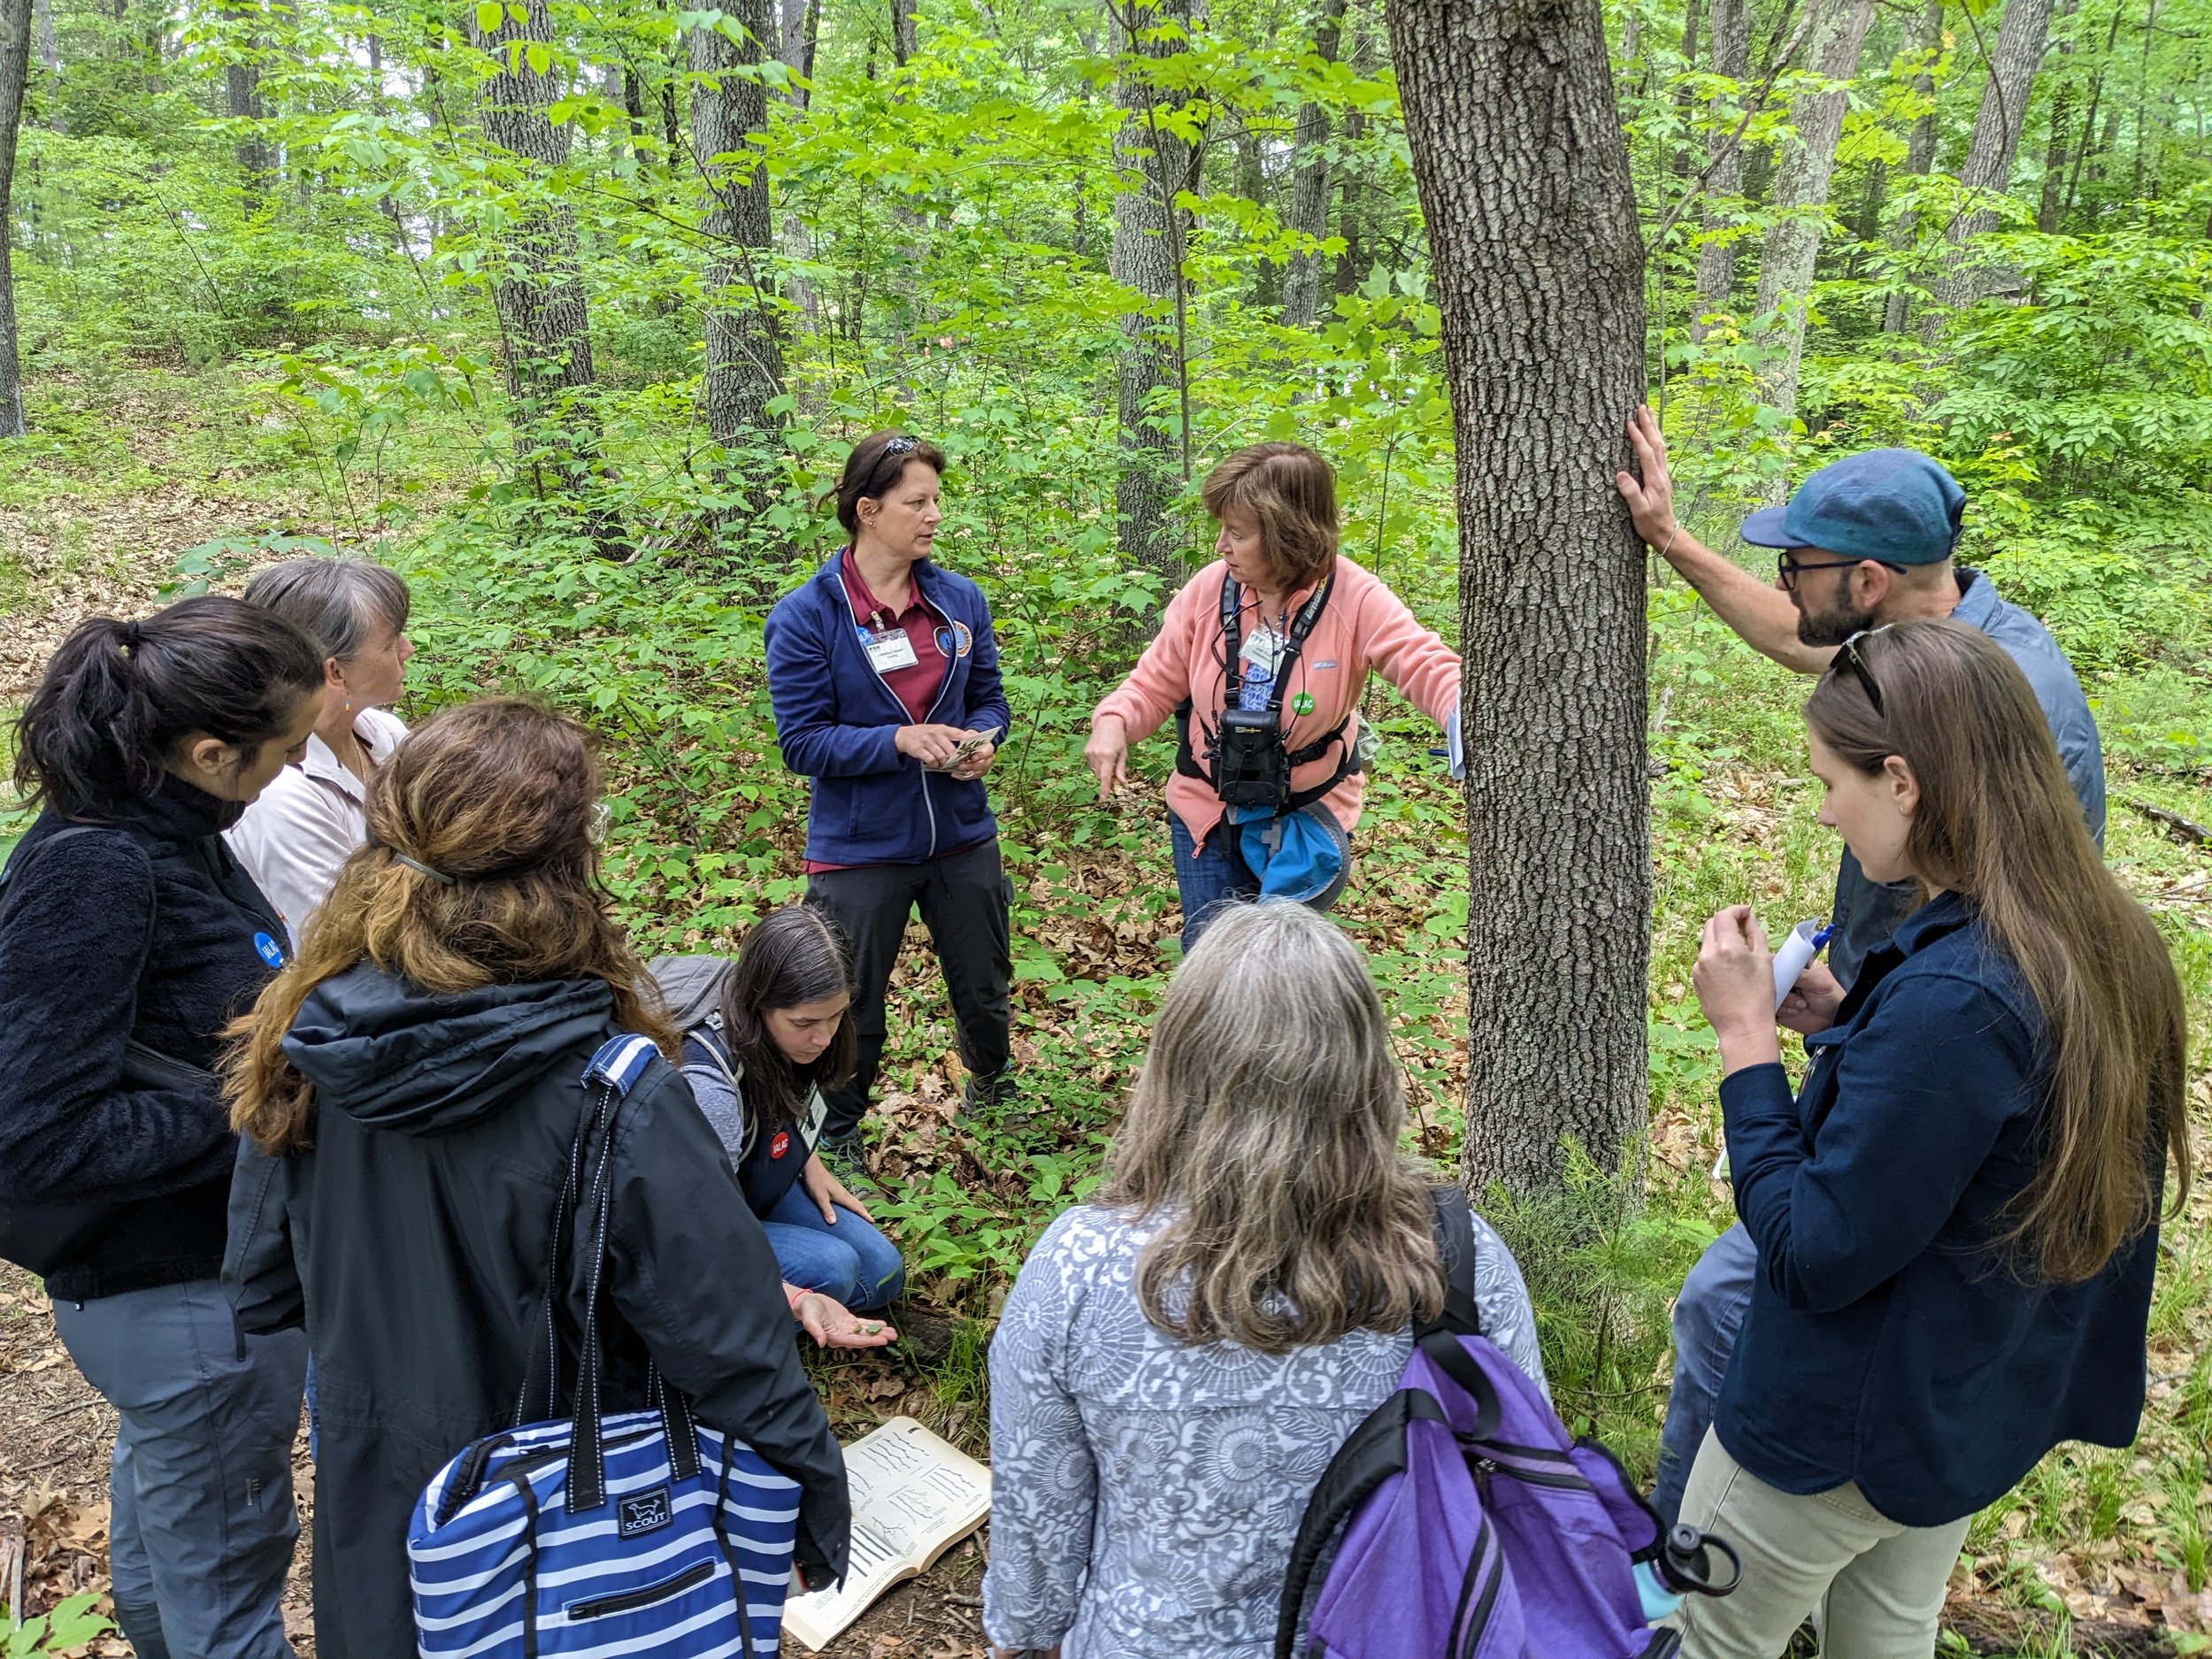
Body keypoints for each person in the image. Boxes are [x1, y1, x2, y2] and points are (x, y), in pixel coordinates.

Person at [220, 699, 850, 1659]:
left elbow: (259, 1281)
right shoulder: (614, 1090)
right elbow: (729, 1340)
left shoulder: (309, 1038)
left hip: (391, 1510)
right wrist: (815, 1493)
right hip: (563, 1529)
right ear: (567, 869)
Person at [1613, 415, 2110, 1520]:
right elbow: (1805, 640)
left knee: (1733, 1300)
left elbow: (2006, 978)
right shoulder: (1923, 646)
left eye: (1798, 563)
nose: (1785, 583)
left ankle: (1687, 1557)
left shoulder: (2009, 708)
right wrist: (1670, 539)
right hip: (1914, 1044)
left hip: (1951, 1088)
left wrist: (1770, 1042)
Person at [1671, 619, 2188, 1657]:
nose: (1825, 811)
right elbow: (1984, 1131)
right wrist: (1857, 1020)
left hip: (1835, 1432)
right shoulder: (2097, 934)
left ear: (1902, 781)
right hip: (1960, 1405)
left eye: (1832, 782)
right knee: (1886, 1633)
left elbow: (1813, 1251)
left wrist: (1743, 1043)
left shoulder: (1957, 1000)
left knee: (1697, 1637)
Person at [980, 901, 1546, 1659]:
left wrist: (1029, 1636)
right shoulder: (1454, 1259)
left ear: (1177, 1066)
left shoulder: (1076, 1267)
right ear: (1366, 1072)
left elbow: (1034, 1556)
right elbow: (1527, 1489)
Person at [0, 597, 326, 1659]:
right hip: (179, 1295)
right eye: (286, 747)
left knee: (172, 1556)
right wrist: (268, 1107)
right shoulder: (97, 869)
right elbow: (38, 1133)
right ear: (208, 751)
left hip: (195, 1290)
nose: (295, 766)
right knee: (229, 1591)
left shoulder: (173, 830)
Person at [1085, 442, 1463, 950]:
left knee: (1281, 970)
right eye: (1222, 529)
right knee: (1216, 966)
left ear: (1288, 534)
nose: (1221, 545)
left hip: (1303, 819)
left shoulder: (1355, 597)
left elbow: (1423, 662)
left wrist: (1465, 714)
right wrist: (1113, 720)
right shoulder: (1208, 591)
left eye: (1238, 534)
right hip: (1209, 811)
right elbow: (1153, 682)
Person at [764, 431, 1014, 1171]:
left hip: (961, 833)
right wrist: (897, 742)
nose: (935, 514)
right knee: (850, 999)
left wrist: (984, 739)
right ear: (867, 510)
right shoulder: (810, 614)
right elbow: (803, 742)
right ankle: (836, 1132)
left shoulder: (958, 600)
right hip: (859, 845)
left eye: (936, 499)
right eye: (917, 502)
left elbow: (991, 699)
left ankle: (992, 1085)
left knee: (982, 981)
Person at [666, 905, 908, 1343]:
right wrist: (793, 1296)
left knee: (882, 1272)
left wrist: (806, 1159)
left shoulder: (790, 1034)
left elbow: (787, 1101)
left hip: (750, 1179)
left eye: (836, 1016)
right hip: (698, 1220)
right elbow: (691, 1233)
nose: (825, 1038)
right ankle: (741, 1330)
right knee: (833, 1269)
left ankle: (790, 1309)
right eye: (805, 1023)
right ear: (758, 1003)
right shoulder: (710, 1087)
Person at [227, 557, 414, 948]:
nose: (407, 649)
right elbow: (345, 939)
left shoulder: (383, 732)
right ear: (335, 672)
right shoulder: (278, 795)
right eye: (390, 642)